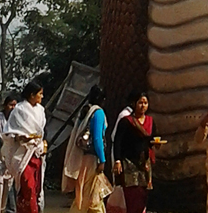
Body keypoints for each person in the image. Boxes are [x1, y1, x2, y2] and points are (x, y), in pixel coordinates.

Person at [62, 85, 112, 213]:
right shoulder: (98, 113)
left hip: (82, 158)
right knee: (88, 194)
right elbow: (97, 138)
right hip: (91, 159)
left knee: (86, 192)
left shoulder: (85, 111)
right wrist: (102, 160)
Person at [3, 81, 47, 213]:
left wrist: (44, 143)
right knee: (28, 187)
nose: (42, 96)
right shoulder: (19, 111)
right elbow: (9, 133)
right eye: (40, 94)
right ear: (32, 95)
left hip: (37, 154)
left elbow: (42, 132)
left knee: (36, 188)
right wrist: (20, 138)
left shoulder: (40, 110)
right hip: (23, 155)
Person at [113, 93, 157, 213]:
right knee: (132, 196)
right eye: (140, 103)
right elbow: (118, 142)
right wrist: (117, 160)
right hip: (129, 163)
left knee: (143, 196)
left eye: (145, 103)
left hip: (144, 165)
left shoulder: (150, 122)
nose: (143, 106)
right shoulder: (126, 122)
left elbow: (151, 140)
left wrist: (155, 144)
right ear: (134, 104)